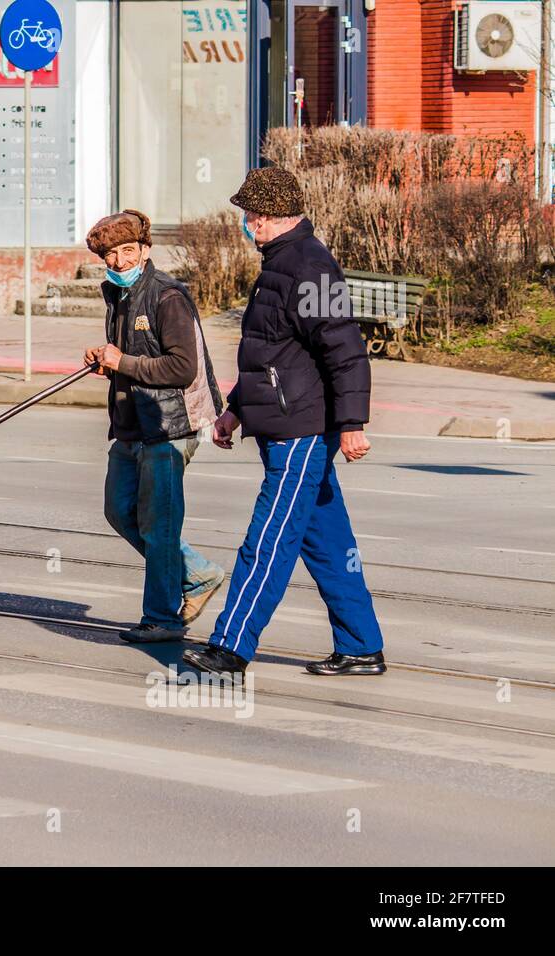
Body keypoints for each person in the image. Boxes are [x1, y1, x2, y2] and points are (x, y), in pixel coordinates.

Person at [183, 167, 386, 678]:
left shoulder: (311, 266)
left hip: (301, 431)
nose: (246, 225)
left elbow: (345, 351)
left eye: (249, 217)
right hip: (282, 421)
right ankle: (361, 645)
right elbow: (270, 354)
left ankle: (229, 649)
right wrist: (235, 409)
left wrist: (353, 423)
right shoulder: (280, 263)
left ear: (267, 217)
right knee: (329, 543)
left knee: (269, 539)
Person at [82, 209, 227, 644]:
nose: (121, 261)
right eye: (111, 254)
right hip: (131, 423)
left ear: (146, 250)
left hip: (170, 424)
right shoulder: (119, 294)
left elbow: (182, 367)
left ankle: (162, 618)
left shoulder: (167, 295)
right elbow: (137, 357)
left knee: (159, 525)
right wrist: (107, 362)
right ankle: (197, 575)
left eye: (129, 251)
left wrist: (121, 361)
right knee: (119, 509)